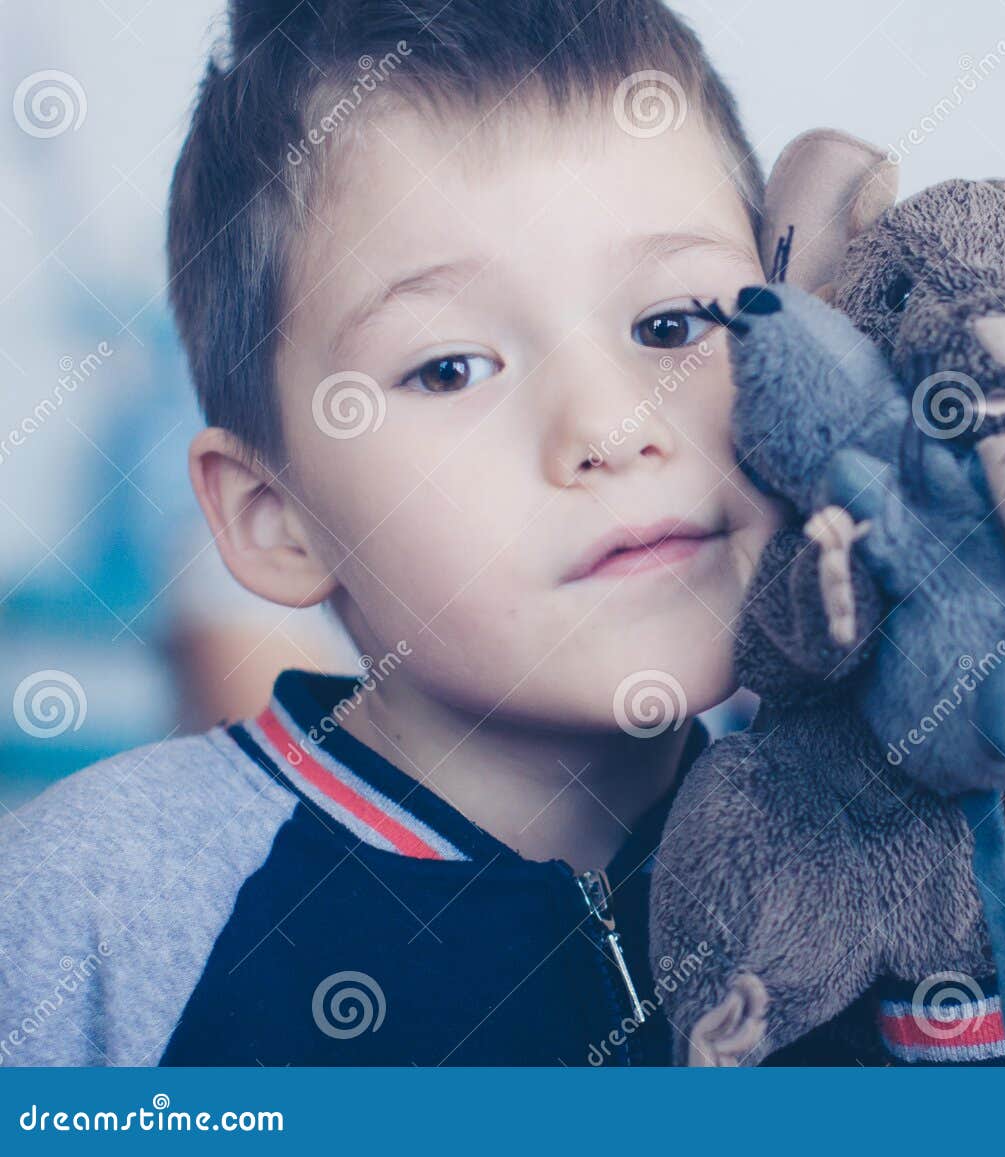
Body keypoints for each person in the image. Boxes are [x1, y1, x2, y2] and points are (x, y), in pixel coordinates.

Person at [0, 0, 791, 1066]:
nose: (612, 427)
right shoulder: (97, 911)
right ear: (272, 517)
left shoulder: (909, 863)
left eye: (673, 325)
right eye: (449, 368)